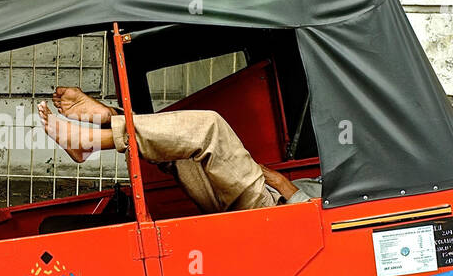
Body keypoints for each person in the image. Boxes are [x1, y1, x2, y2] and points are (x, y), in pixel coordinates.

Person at [37, 86, 310, 214]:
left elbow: (318, 211)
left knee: (209, 126)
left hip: (279, 211)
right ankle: (109, 117)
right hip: (252, 198)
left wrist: (281, 183)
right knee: (177, 147)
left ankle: (93, 139)